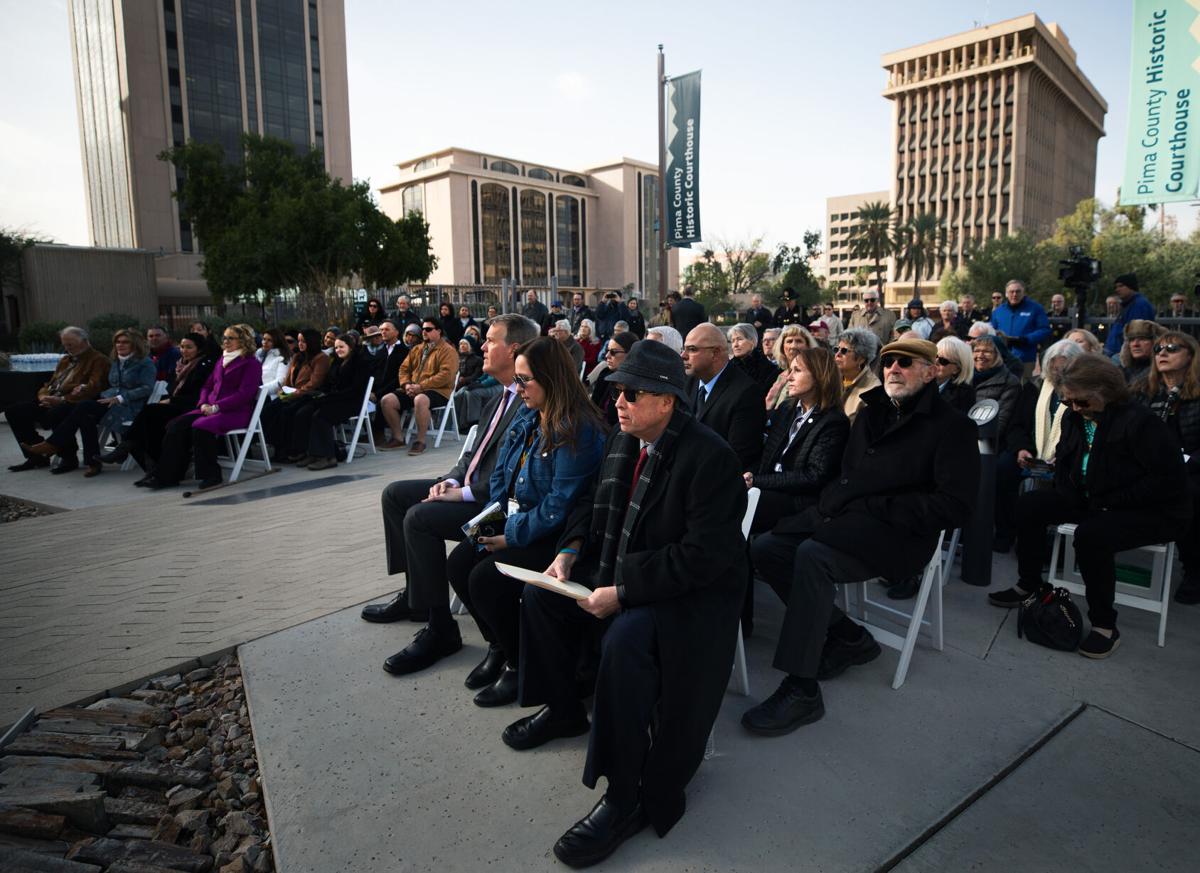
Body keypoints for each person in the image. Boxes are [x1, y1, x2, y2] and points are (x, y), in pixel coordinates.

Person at [511, 340, 747, 866]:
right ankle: (565, 708)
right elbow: (591, 509)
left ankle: (625, 795)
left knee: (626, 638)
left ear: (667, 401)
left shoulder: (711, 458)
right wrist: (570, 553)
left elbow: (703, 559)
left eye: (633, 393)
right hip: (624, 567)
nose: (618, 401)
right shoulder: (624, 439)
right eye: (617, 389)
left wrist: (623, 593)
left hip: (688, 596)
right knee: (540, 594)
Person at [742, 337, 979, 734]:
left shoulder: (952, 427)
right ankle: (849, 636)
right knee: (767, 549)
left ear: (931, 370)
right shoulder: (872, 413)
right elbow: (844, 477)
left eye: (906, 362)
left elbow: (955, 506)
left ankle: (802, 690)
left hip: (900, 538)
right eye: (888, 362)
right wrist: (832, 506)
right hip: (846, 520)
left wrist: (879, 509)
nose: (894, 369)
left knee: (812, 557)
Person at [415, 337, 608, 707]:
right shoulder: (527, 413)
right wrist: (489, 524)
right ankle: (500, 646)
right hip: (518, 518)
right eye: (516, 380)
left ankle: (520, 664)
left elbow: (560, 504)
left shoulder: (577, 428)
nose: (517, 388)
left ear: (551, 379)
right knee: (459, 563)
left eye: (525, 380)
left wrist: (510, 535)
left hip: (553, 535)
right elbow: (503, 477)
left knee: (486, 579)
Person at [987, 355, 1190, 658]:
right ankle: (1028, 584)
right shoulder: (1074, 416)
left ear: (1105, 391)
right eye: (1068, 402)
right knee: (1030, 505)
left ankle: (1105, 625)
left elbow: (1166, 481)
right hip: (1092, 497)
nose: (1075, 408)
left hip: (1147, 507)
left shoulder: (1140, 422)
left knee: (1091, 536)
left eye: (1081, 402)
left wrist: (1111, 503)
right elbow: (1069, 459)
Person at [363, 316, 537, 651]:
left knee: (420, 519)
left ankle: (440, 626)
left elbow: (513, 477)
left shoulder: (529, 401)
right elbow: (470, 456)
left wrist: (464, 493)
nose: (482, 346)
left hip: (495, 508)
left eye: (490, 340)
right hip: (470, 491)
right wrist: (449, 481)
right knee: (396, 495)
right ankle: (415, 596)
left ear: (513, 349)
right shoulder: (497, 399)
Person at [22, 328, 156, 478]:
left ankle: (54, 444)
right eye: (118, 342)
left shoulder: (144, 363)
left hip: (129, 407)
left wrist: (120, 398)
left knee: (84, 407)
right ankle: (92, 462)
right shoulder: (117, 361)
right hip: (109, 402)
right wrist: (84, 387)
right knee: (78, 414)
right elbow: (112, 385)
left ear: (135, 344)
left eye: (125, 342)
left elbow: (147, 388)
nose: (120, 345)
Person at [743, 347, 848, 533]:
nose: (789, 377)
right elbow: (767, 453)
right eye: (790, 370)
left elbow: (812, 477)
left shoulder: (834, 422)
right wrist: (750, 476)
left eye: (797, 371)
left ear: (819, 375)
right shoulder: (787, 409)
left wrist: (757, 481)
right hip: (769, 488)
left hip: (798, 500)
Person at [145, 324, 263, 490]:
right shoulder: (222, 359)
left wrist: (217, 407)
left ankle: (212, 475)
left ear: (243, 341)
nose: (226, 341)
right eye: (225, 337)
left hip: (235, 412)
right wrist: (203, 403)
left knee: (200, 427)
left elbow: (245, 394)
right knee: (175, 425)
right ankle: (168, 475)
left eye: (231, 338)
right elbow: (207, 386)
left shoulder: (251, 363)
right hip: (209, 409)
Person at [1137, 331, 1200, 603]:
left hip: (1191, 469)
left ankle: (1194, 571)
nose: (1162, 353)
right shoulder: (1144, 390)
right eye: (1159, 349)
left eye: (1172, 348)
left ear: (1191, 355)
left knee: (1190, 495)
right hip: (1146, 466)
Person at [102, 332, 216, 480]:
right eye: (182, 346)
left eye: (189, 347)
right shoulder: (183, 366)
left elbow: (196, 395)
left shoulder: (203, 366)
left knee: (149, 414)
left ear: (199, 349)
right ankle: (150, 465)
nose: (184, 350)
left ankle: (128, 450)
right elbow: (173, 389)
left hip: (192, 407)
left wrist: (170, 401)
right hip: (178, 405)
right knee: (147, 422)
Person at [6, 326, 111, 472]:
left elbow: (93, 388)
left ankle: (68, 457)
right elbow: (49, 384)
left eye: (70, 344)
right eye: (65, 344)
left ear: (84, 341)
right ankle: (36, 455)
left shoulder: (99, 360)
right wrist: (43, 396)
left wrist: (62, 398)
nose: (67, 348)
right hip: (53, 398)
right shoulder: (65, 360)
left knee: (57, 412)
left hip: (75, 402)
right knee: (14, 411)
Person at [682, 323, 767, 470]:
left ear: (715, 353)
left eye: (692, 349)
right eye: (684, 349)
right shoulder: (689, 382)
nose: (683, 355)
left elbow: (738, 456)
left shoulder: (746, 393)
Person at [287, 333, 372, 471]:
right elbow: (329, 383)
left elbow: (355, 389)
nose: (338, 350)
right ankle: (311, 452)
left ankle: (327, 456)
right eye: (336, 347)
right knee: (304, 412)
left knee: (320, 416)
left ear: (350, 347)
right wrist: (321, 394)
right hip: (334, 398)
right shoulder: (337, 362)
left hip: (351, 402)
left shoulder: (360, 362)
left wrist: (330, 396)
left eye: (341, 347)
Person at [379, 316, 459, 456]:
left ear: (438, 331)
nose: (424, 332)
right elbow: (403, 369)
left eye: (428, 329)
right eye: (423, 329)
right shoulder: (417, 349)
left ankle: (420, 441)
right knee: (387, 400)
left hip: (439, 391)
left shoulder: (448, 350)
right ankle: (398, 438)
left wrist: (420, 387)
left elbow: (446, 375)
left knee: (420, 400)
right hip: (415, 389)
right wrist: (406, 385)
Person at [260, 328, 331, 461]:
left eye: (304, 341)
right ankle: (276, 447)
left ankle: (290, 449)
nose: (300, 344)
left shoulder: (321, 358)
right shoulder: (298, 357)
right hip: (291, 393)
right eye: (299, 341)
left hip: (308, 395)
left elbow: (315, 382)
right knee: (269, 409)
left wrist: (295, 393)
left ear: (311, 342)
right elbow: (288, 379)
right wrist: (284, 392)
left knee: (286, 412)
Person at [990, 280, 1050, 377]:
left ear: (1023, 293)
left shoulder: (1035, 308)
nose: (1014, 294)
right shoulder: (999, 311)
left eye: (1018, 291)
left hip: (1024, 357)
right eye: (1011, 292)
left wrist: (1025, 339)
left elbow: (1044, 329)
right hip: (1001, 357)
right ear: (1006, 294)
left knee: (1022, 388)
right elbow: (991, 330)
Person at [971, 335, 1021, 440]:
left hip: (988, 442)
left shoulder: (1009, 382)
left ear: (998, 355)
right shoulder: (965, 377)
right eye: (976, 351)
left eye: (987, 351)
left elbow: (1000, 422)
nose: (980, 355)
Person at [833, 328, 881, 424]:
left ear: (861, 358)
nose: (837, 354)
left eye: (844, 351)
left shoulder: (872, 390)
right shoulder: (831, 379)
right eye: (836, 349)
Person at [589, 332, 638, 427]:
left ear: (630, 354)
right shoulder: (605, 374)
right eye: (607, 350)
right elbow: (593, 406)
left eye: (613, 352)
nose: (607, 355)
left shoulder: (635, 383)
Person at [1104, 273, 1156, 357]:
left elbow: (1136, 334)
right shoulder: (1128, 305)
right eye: (1116, 287)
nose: (1117, 289)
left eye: (1121, 286)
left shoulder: (1139, 305)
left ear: (1131, 287)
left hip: (1121, 356)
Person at [765, 325, 816, 409]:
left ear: (808, 346)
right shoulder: (780, 375)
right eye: (789, 341)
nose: (793, 346)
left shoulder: (813, 373)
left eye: (799, 341)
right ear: (782, 347)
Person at [728, 323, 778, 392]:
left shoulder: (769, 369)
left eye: (739, 339)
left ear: (752, 341)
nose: (735, 345)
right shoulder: (728, 367)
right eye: (733, 341)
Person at [934, 336, 976, 414]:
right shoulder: (920, 381)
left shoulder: (964, 395)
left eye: (943, 361)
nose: (936, 362)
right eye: (935, 356)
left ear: (956, 369)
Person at [1116, 319, 1163, 384]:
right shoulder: (1121, 372)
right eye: (1132, 340)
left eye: (1142, 339)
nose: (1135, 344)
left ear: (1155, 343)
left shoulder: (1163, 373)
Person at [257, 328, 291, 399]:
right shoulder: (260, 355)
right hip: (258, 396)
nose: (265, 342)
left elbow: (280, 382)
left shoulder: (283, 357)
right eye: (264, 339)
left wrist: (258, 390)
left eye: (269, 340)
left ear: (277, 341)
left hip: (271, 398)